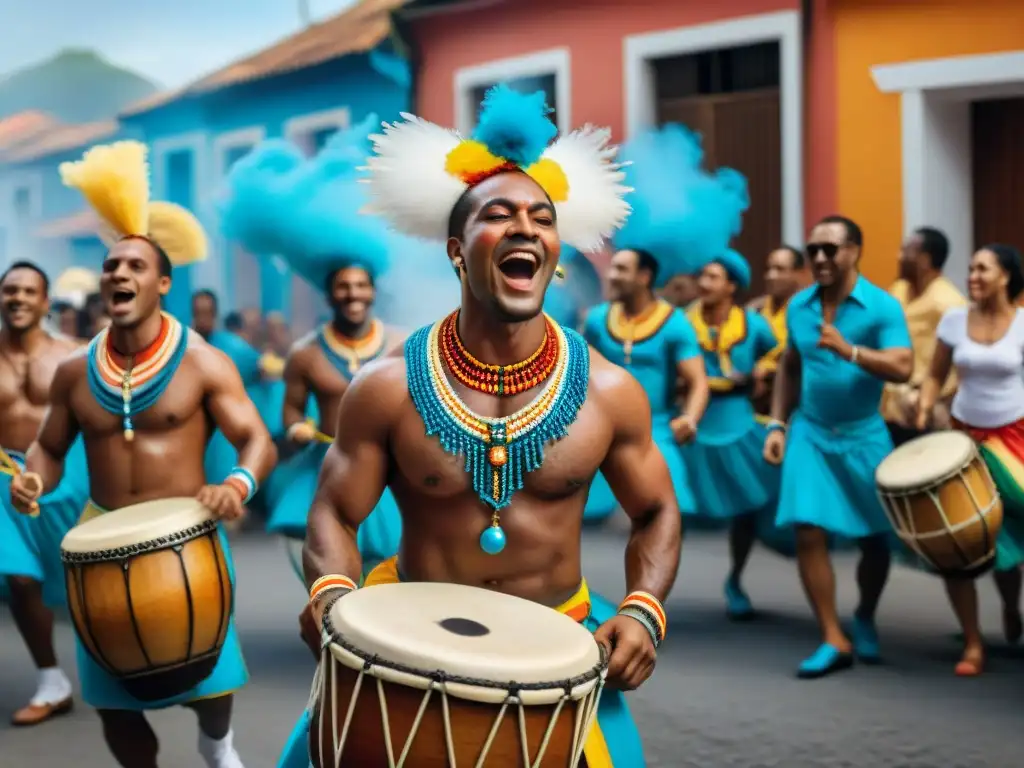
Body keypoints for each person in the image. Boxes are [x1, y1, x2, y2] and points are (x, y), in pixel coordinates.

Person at [276, 85, 681, 768]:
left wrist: (643, 608)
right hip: (407, 653)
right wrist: (331, 592)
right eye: (500, 215)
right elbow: (334, 513)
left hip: (560, 650)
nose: (527, 228)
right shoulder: (385, 388)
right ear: (458, 250)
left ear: (555, 252)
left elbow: (658, 510)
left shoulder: (611, 393)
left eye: (543, 218)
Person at [9, 140, 278, 768]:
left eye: (133, 266)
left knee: (210, 688)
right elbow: (50, 447)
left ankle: (217, 747)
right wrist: (33, 481)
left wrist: (236, 485)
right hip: (98, 542)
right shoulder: (76, 371)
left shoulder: (202, 361)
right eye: (110, 267)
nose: (118, 275)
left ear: (162, 283)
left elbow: (255, 439)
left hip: (189, 537)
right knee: (113, 703)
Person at [220, 117, 406, 581]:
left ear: (373, 290)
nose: (352, 294)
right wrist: (298, 428)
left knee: (392, 572)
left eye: (361, 286)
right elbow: (288, 414)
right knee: (328, 566)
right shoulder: (305, 354)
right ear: (329, 294)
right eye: (343, 287)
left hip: (388, 473)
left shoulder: (403, 344)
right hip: (323, 467)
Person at [763, 215, 913, 678]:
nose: (821, 258)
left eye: (831, 249)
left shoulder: (882, 307)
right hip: (810, 432)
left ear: (855, 252)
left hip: (866, 434)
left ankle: (864, 614)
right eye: (814, 250)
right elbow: (791, 363)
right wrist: (777, 424)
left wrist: (849, 350)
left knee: (874, 539)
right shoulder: (798, 307)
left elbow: (903, 366)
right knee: (807, 528)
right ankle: (833, 634)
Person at [582, 124, 749, 523]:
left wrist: (689, 418)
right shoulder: (597, 320)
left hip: (655, 433)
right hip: (600, 432)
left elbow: (697, 381)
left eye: (621, 269)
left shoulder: (674, 325)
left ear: (644, 277)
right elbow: (578, 377)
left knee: (658, 518)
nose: (611, 275)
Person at [917, 243, 1024, 675]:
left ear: (1006, 277)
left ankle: (1010, 607)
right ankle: (974, 643)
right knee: (956, 539)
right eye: (971, 268)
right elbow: (934, 377)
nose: (973, 275)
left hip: (1016, 441)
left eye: (983, 269)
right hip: (963, 441)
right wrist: (925, 407)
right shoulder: (954, 321)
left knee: (1010, 535)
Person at [0, 261, 89, 726]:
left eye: (27, 291)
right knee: (19, 577)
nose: (17, 298)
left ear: (45, 301)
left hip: (64, 476)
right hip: (1, 478)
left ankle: (122, 669)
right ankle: (51, 680)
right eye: (9, 290)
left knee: (85, 583)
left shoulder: (74, 355)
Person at [683, 250, 782, 618]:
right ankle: (652, 590)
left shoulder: (752, 325)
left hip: (739, 422)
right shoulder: (682, 321)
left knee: (747, 508)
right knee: (670, 508)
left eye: (712, 277)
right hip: (694, 422)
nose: (704, 284)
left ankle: (736, 578)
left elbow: (780, 356)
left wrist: (759, 375)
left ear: (731, 286)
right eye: (702, 277)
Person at [883, 226, 966, 446]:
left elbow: (960, 365)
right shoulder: (898, 290)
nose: (898, 257)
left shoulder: (949, 304)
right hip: (891, 408)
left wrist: (933, 401)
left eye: (906, 251)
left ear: (925, 260)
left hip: (925, 411)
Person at [748, 245, 808, 414]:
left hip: (792, 399)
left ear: (800, 274)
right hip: (754, 400)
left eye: (780, 269)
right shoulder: (754, 310)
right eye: (768, 269)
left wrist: (768, 371)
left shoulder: (810, 312)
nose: (771, 275)